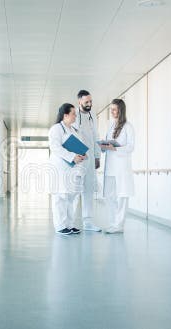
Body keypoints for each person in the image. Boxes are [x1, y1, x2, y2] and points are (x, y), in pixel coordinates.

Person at [48, 103, 87, 235]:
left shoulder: (74, 130)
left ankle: (69, 225)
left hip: (74, 169)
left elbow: (80, 146)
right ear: (65, 115)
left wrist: (82, 154)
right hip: (61, 169)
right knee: (60, 197)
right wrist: (71, 157)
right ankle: (60, 226)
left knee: (72, 197)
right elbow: (55, 147)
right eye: (73, 114)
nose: (76, 116)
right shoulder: (56, 129)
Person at [100, 99, 135, 234]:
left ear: (121, 110)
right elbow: (109, 145)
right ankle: (113, 223)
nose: (112, 112)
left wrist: (116, 149)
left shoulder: (128, 127)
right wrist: (103, 147)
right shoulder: (111, 126)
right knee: (109, 196)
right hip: (110, 167)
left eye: (115, 109)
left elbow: (131, 147)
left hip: (121, 167)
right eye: (111, 109)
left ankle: (119, 225)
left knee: (122, 196)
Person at [72, 90, 102, 232]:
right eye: (86, 102)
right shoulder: (73, 115)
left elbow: (96, 136)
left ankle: (88, 223)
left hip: (90, 158)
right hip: (78, 158)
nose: (89, 104)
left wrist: (97, 156)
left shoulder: (92, 116)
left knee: (89, 190)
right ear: (79, 102)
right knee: (74, 190)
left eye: (91, 102)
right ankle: (68, 222)